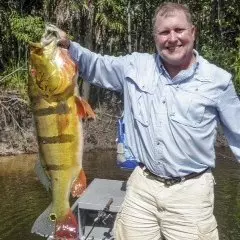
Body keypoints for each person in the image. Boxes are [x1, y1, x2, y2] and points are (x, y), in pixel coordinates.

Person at [58, 2, 240, 240]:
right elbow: (95, 66)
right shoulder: (135, 66)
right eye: (164, 32)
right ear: (155, 37)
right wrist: (68, 47)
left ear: (193, 32)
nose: (172, 38)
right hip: (143, 185)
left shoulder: (218, 81)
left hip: (191, 193)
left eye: (179, 30)